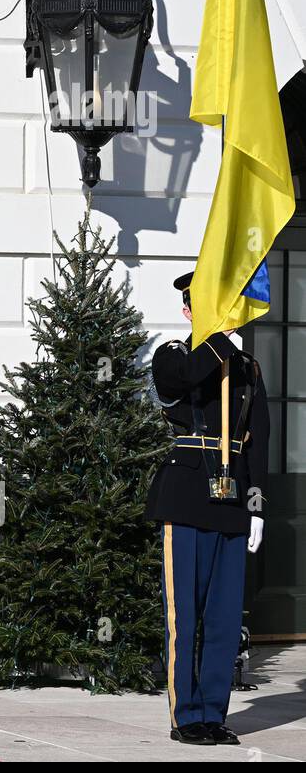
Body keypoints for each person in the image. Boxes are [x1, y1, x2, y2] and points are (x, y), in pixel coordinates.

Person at [149, 270, 267, 746]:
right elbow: (186, 378)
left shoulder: (248, 368)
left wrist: (257, 505)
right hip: (187, 495)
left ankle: (214, 713)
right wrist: (218, 339)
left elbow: (258, 442)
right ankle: (186, 716)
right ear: (188, 312)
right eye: (206, 307)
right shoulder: (172, 356)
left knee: (222, 618)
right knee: (186, 616)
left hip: (233, 499)